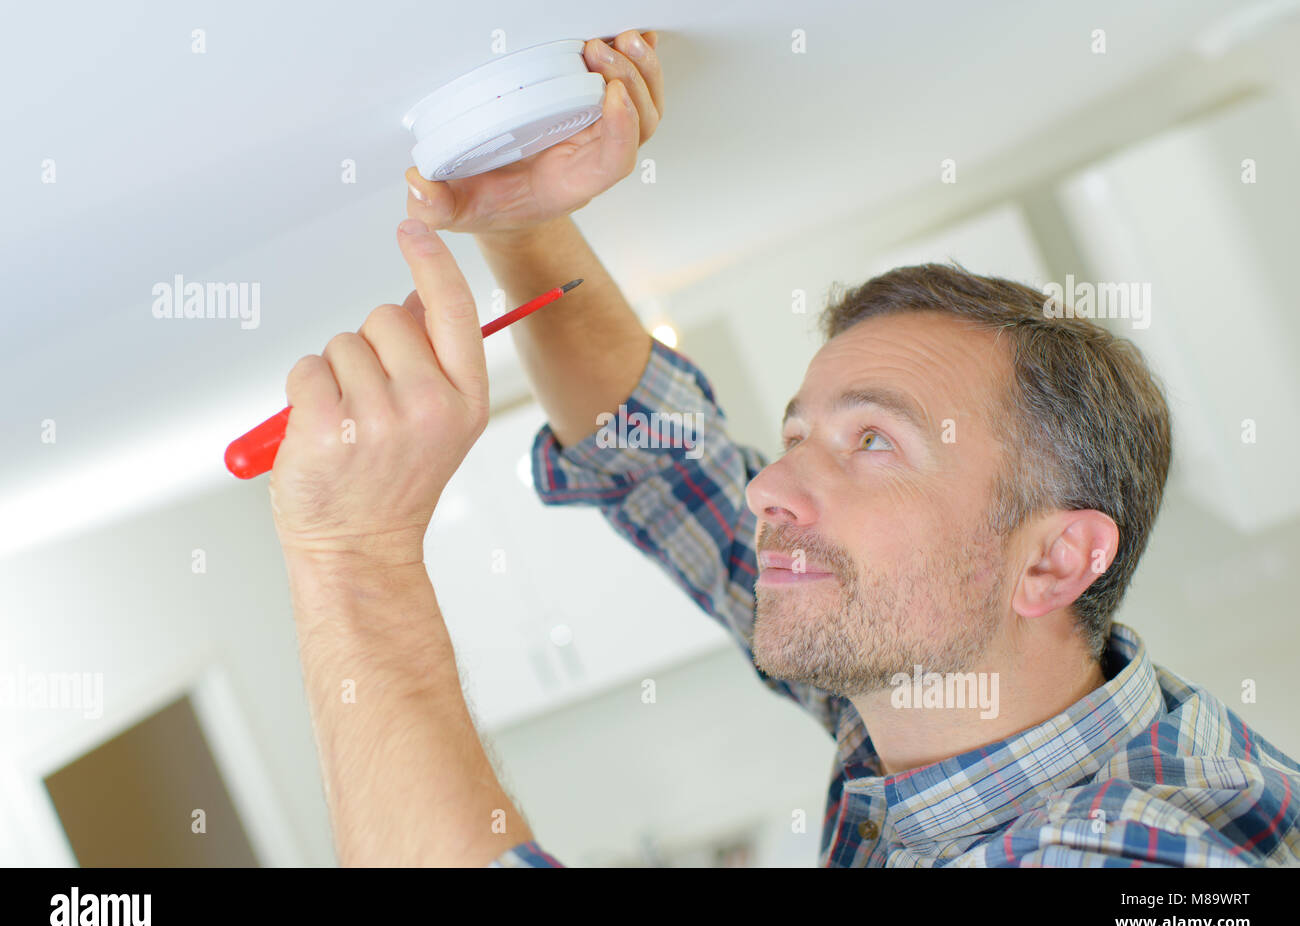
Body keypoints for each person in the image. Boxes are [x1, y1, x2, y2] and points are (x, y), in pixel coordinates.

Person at [272, 30, 1300, 867]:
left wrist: (351, 553)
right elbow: (666, 461)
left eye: (873, 442)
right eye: (797, 435)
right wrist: (524, 222)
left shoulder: (1118, 857)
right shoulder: (954, 682)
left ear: (1053, 559)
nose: (769, 484)